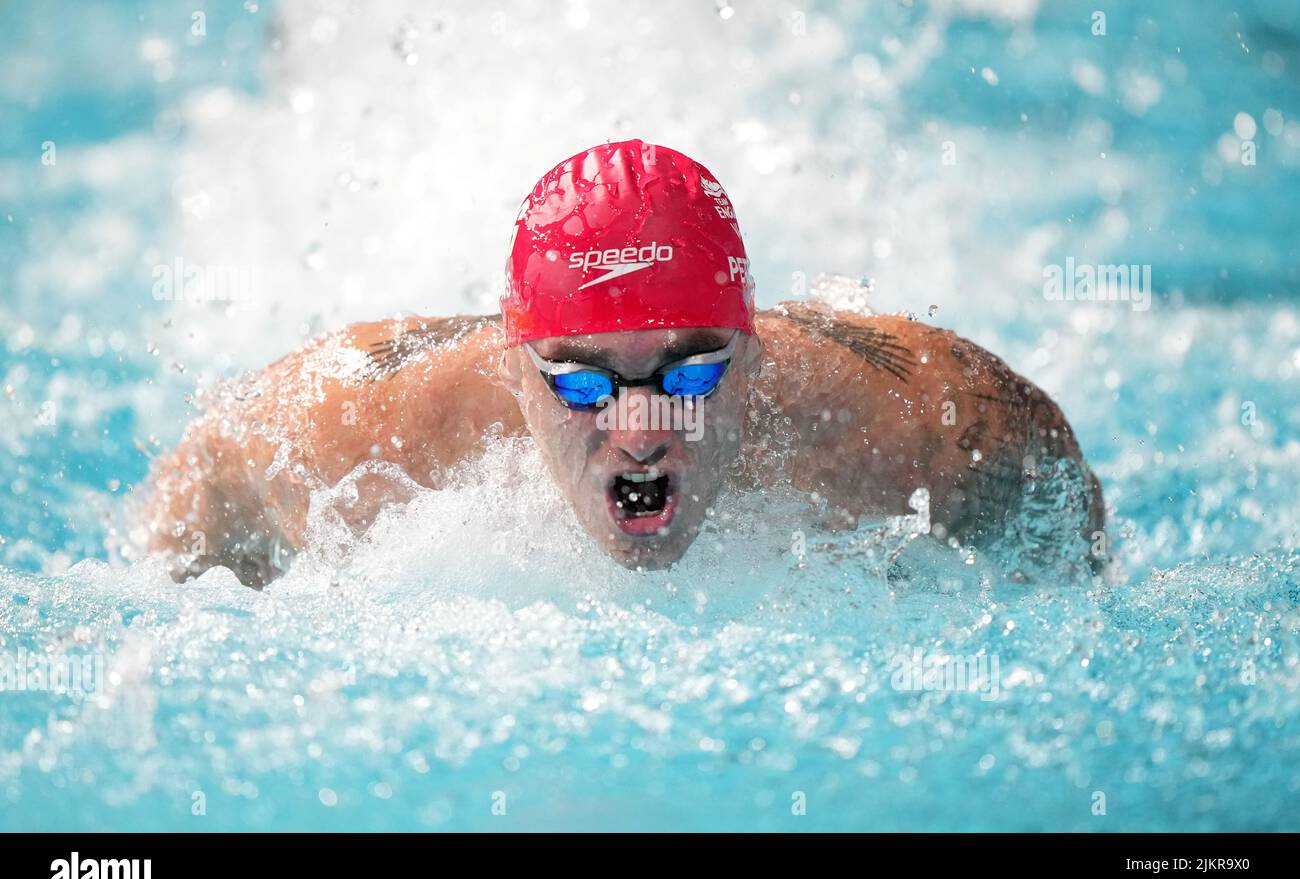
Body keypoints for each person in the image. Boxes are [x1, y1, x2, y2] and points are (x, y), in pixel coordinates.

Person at [143, 139, 1104, 588]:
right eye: (581, 382)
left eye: (691, 373)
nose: (642, 431)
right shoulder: (356, 431)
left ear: (757, 358)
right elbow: (186, 515)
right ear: (514, 372)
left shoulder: (917, 428)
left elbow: (1074, 546)